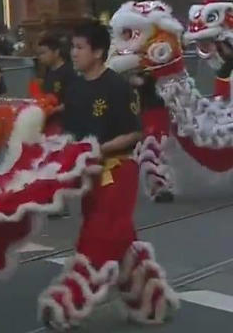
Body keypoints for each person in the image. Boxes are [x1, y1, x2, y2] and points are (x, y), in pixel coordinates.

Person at [39, 20, 178, 329]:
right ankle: (151, 301)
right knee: (118, 238)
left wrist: (98, 150)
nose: (73, 54)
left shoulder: (117, 86)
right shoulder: (74, 88)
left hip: (117, 171)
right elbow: (68, 133)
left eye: (79, 48)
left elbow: (134, 133)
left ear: (98, 51)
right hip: (89, 175)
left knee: (99, 237)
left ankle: (68, 302)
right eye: (72, 47)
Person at [36, 32, 77, 136]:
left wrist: (53, 110)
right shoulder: (48, 71)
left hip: (64, 125)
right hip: (48, 122)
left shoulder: (69, 72)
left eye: (44, 53)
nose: (41, 57)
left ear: (56, 52)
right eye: (39, 54)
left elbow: (72, 101)